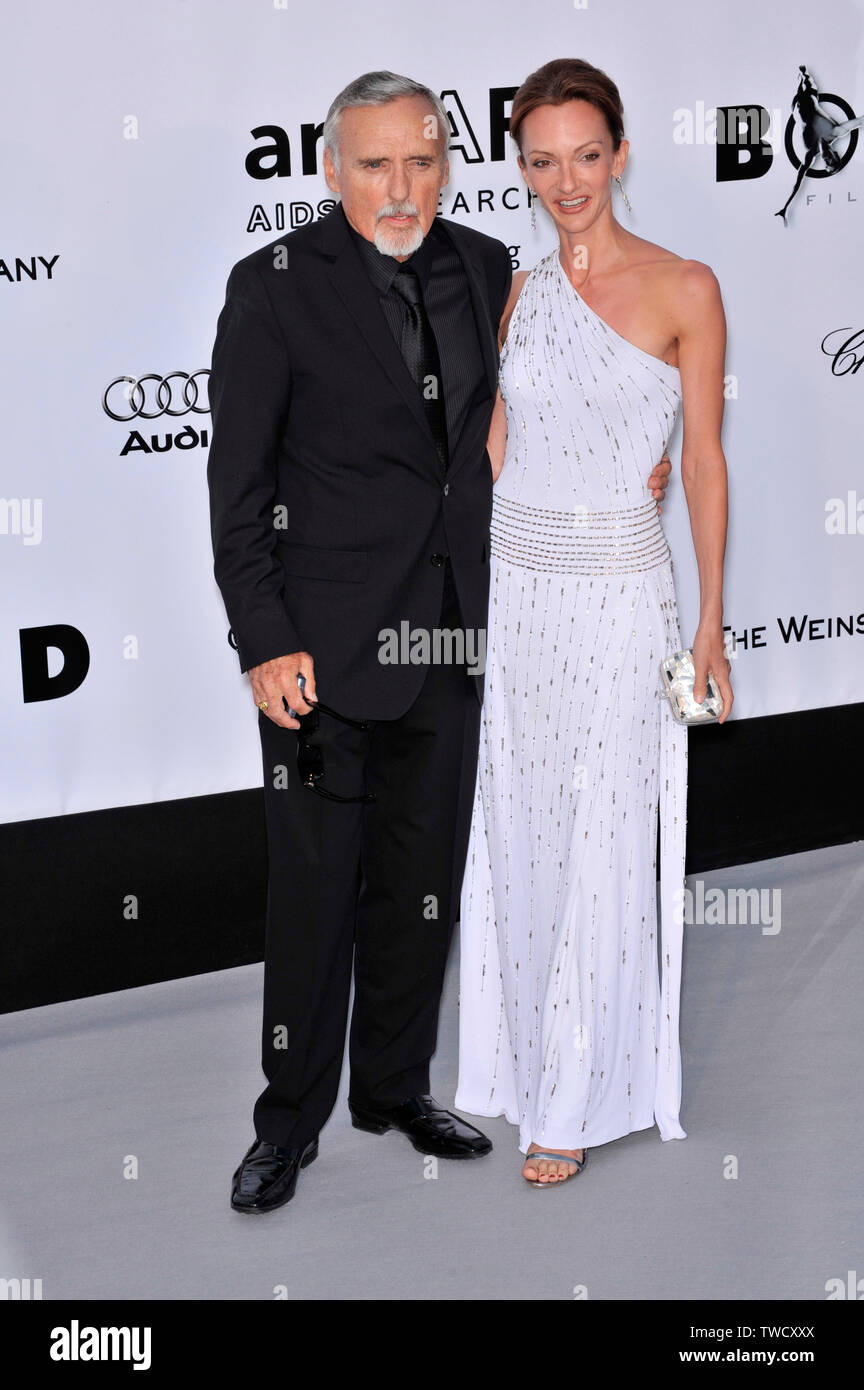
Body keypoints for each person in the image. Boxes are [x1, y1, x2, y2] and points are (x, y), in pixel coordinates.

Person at [206, 69, 672, 1214]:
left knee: (420, 884)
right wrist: (264, 638)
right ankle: (289, 1121)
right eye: (375, 166)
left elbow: (543, 415)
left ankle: (395, 1087)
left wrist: (635, 470)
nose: (401, 186)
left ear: (446, 164)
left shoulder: (487, 268)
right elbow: (237, 483)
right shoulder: (269, 289)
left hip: (466, 637)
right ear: (331, 172)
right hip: (317, 654)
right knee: (314, 895)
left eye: (421, 161)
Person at [455, 58, 733, 1187]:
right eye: (542, 161)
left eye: (585, 155)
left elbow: (705, 461)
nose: (566, 180)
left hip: (624, 594)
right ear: (521, 169)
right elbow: (495, 445)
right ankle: (518, 1068)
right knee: (522, 828)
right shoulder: (519, 288)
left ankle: (576, 1091)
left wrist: (711, 626)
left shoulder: (687, 288)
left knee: (609, 830)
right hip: (520, 590)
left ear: (619, 154)